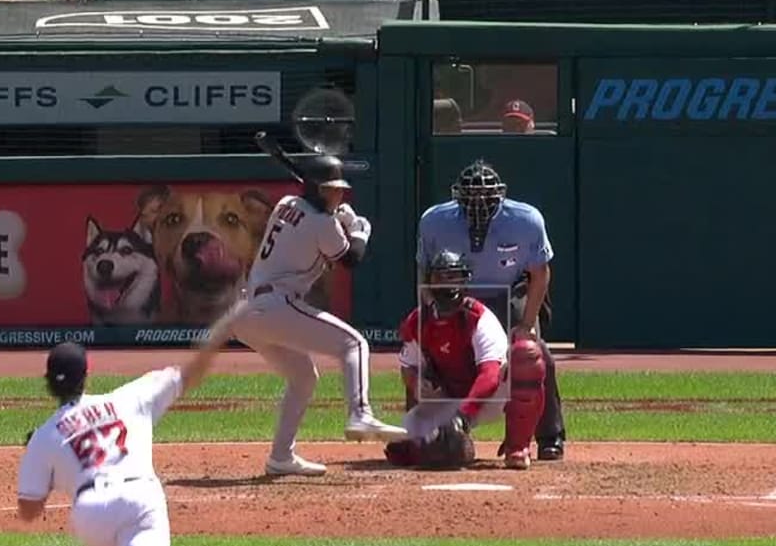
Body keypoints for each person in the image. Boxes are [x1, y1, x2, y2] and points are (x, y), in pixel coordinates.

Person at [14, 308, 238, 546]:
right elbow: (189, 374)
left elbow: (29, 510)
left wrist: (54, 467)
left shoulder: (44, 436)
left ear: (48, 383)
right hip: (139, 499)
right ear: (87, 375)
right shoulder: (128, 397)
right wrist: (218, 336)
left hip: (90, 515)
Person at [229, 154, 408, 478]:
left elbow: (310, 223)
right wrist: (359, 229)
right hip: (276, 305)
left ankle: (280, 457)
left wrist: (335, 215)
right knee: (354, 344)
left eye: (339, 189)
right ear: (316, 189)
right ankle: (360, 414)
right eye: (331, 189)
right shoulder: (322, 223)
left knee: (303, 377)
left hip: (248, 313)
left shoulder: (286, 203)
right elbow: (351, 259)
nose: (338, 194)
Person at [416, 159, 566, 460]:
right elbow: (424, 272)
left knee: (534, 355)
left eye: (486, 198)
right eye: (471, 199)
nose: (478, 205)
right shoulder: (434, 220)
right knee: (426, 357)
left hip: (510, 290)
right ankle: (428, 435)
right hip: (458, 296)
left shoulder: (526, 220)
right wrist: (432, 311)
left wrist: (528, 323)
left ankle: (547, 437)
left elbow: (540, 274)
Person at [383, 249, 547, 470]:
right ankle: (444, 449)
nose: (447, 284)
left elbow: (490, 375)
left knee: (526, 356)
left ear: (464, 281)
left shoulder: (478, 318)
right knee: (403, 444)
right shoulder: (418, 321)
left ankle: (517, 448)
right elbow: (408, 368)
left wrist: (463, 416)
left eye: (453, 277)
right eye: (441, 278)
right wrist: (418, 384)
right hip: (448, 399)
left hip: (492, 399)